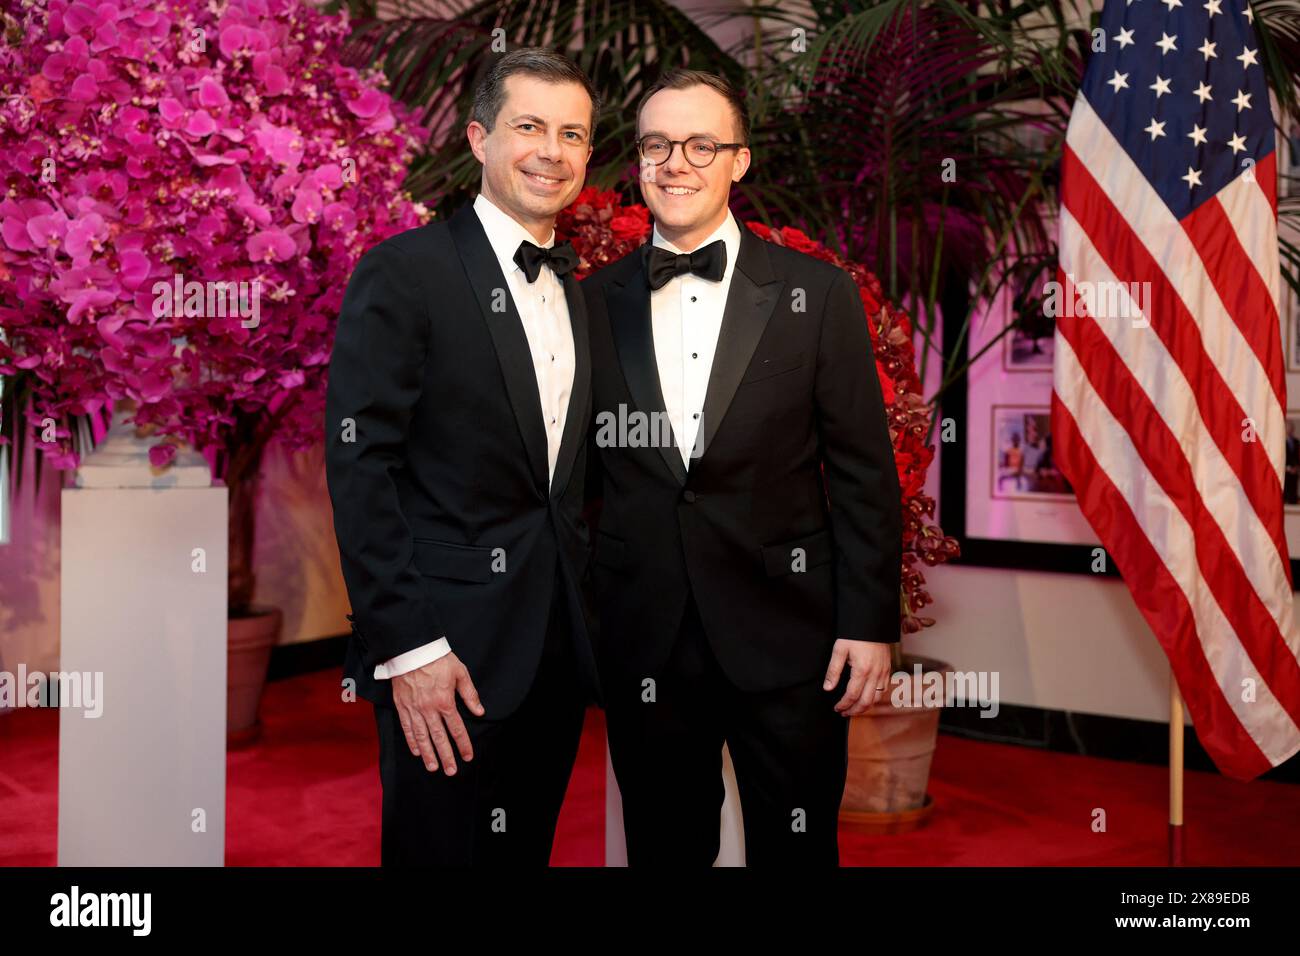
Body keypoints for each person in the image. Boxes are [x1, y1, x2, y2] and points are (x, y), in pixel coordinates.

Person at [582, 69, 903, 865]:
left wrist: (867, 624)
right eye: (657, 145)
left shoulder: (817, 295)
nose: (676, 164)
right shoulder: (588, 302)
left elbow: (865, 470)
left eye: (701, 144)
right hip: (645, 636)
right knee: (662, 847)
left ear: (741, 161)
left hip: (790, 635)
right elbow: (572, 476)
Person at [324, 48, 601, 866]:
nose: (552, 149)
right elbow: (359, 466)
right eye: (529, 126)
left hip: (553, 649)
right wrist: (408, 650)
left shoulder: (578, 290)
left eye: (573, 133)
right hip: (445, 654)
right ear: (479, 138)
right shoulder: (404, 272)